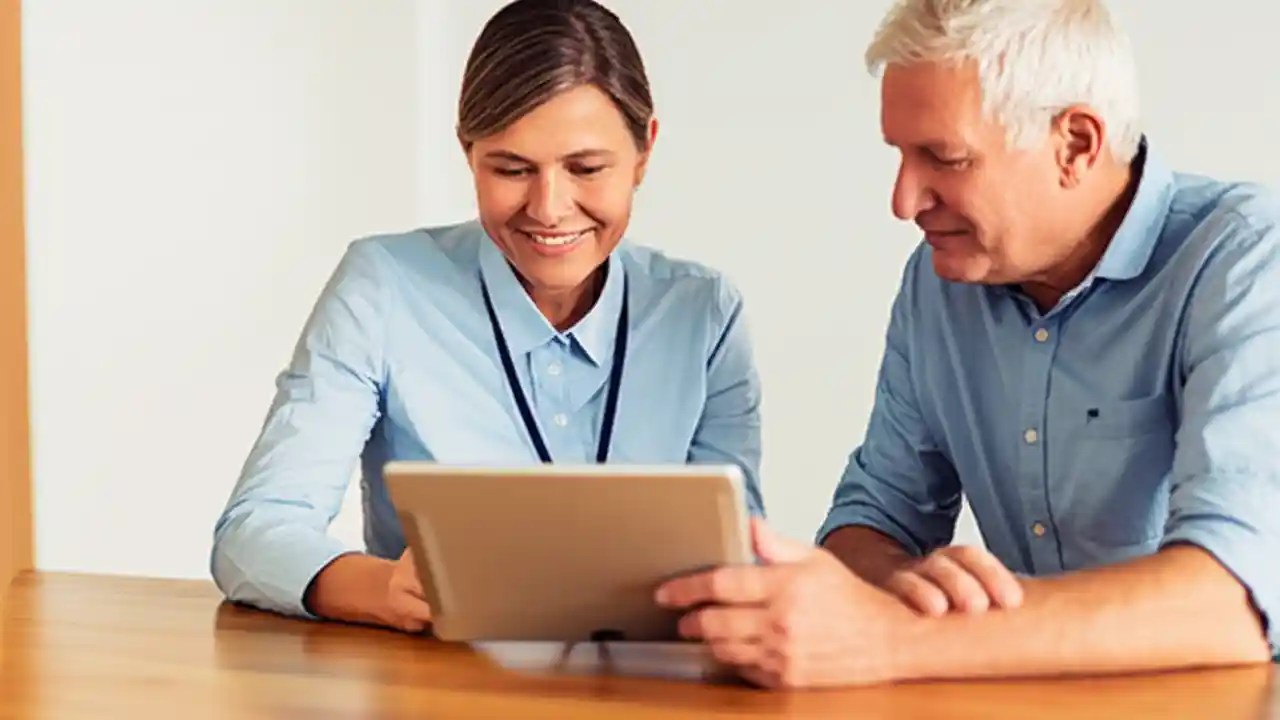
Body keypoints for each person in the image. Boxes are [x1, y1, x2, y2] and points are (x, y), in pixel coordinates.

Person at [655, 0, 1279, 688]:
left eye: (943, 159)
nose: (903, 199)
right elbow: (871, 523)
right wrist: (904, 587)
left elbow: (1233, 602)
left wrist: (895, 636)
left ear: (1075, 144)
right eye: (899, 154)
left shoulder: (1247, 261)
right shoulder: (938, 283)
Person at [211, 0, 765, 633]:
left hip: (646, 682)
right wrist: (382, 586)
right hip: (440, 680)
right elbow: (252, 532)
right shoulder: (383, 285)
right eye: (510, 169)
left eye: (586, 168)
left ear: (644, 153)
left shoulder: (703, 312)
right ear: (467, 152)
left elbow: (739, 553)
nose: (550, 208)